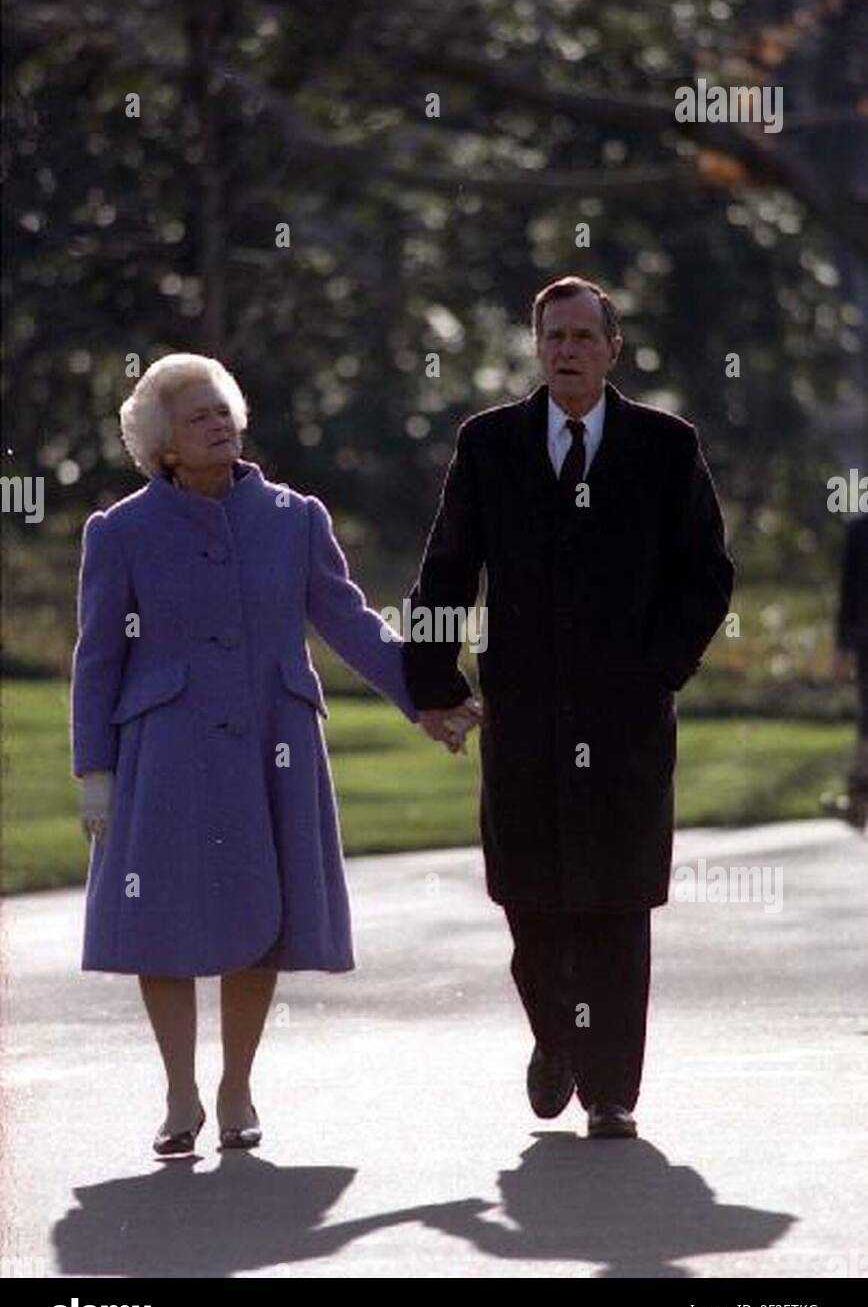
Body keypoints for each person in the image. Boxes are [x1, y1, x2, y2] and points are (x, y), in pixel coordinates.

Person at [404, 276, 735, 1139]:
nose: (566, 351)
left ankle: (611, 1091)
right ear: (536, 345)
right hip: (527, 718)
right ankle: (556, 1038)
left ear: (613, 349)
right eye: (553, 336)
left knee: (618, 907)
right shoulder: (490, 444)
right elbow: (448, 566)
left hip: (626, 722)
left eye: (584, 337)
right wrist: (433, 682)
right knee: (533, 904)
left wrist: (656, 670)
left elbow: (707, 574)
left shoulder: (666, 446)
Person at [71, 352, 425, 1155]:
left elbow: (349, 621)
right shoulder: (120, 532)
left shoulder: (294, 518)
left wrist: (425, 695)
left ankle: (235, 1088)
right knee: (160, 921)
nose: (219, 423)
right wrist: (94, 771)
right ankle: (179, 1094)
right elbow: (97, 658)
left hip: (275, 746)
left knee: (257, 914)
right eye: (197, 416)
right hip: (163, 753)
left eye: (223, 408)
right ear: (163, 445)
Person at [832, 512, 868, 829]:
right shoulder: (859, 532)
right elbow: (848, 595)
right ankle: (858, 797)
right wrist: (842, 648)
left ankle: (858, 795)